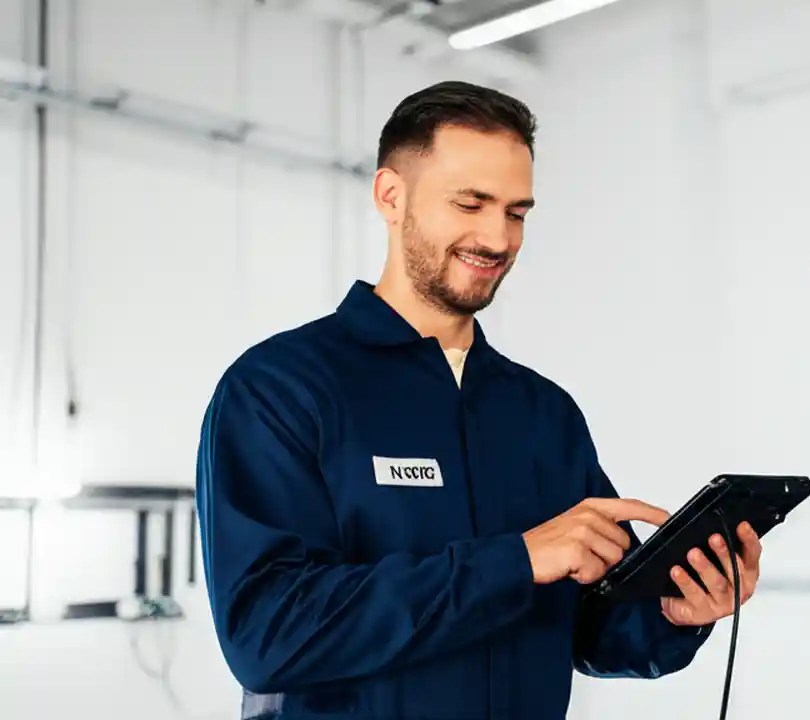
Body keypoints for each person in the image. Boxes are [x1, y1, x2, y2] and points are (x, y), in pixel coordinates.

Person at [195, 81, 765, 719]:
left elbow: (589, 630)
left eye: (516, 213)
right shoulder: (281, 388)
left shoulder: (543, 414)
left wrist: (676, 612)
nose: (497, 238)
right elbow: (267, 635)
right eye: (470, 204)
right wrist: (514, 561)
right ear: (391, 195)